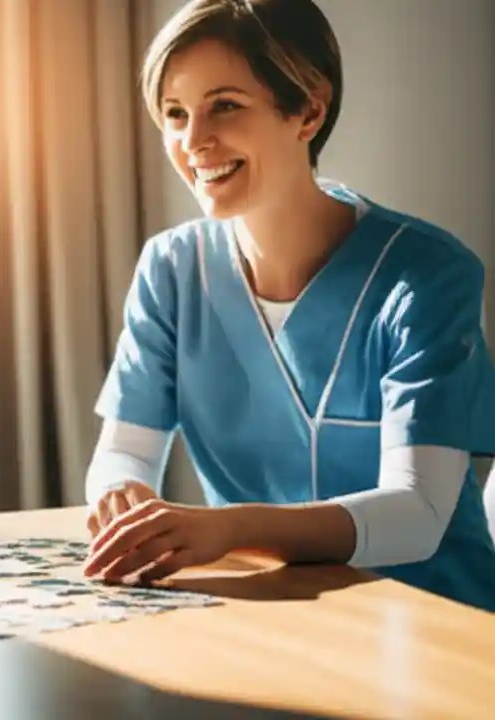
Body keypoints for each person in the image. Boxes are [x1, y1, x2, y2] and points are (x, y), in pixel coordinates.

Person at [81, 0, 495, 612]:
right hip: (268, 612)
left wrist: (229, 529)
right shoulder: (171, 269)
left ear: (308, 110)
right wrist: (122, 495)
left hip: (436, 619)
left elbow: (419, 515)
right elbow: (125, 451)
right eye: (175, 113)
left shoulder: (427, 275)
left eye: (225, 105)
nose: (193, 142)